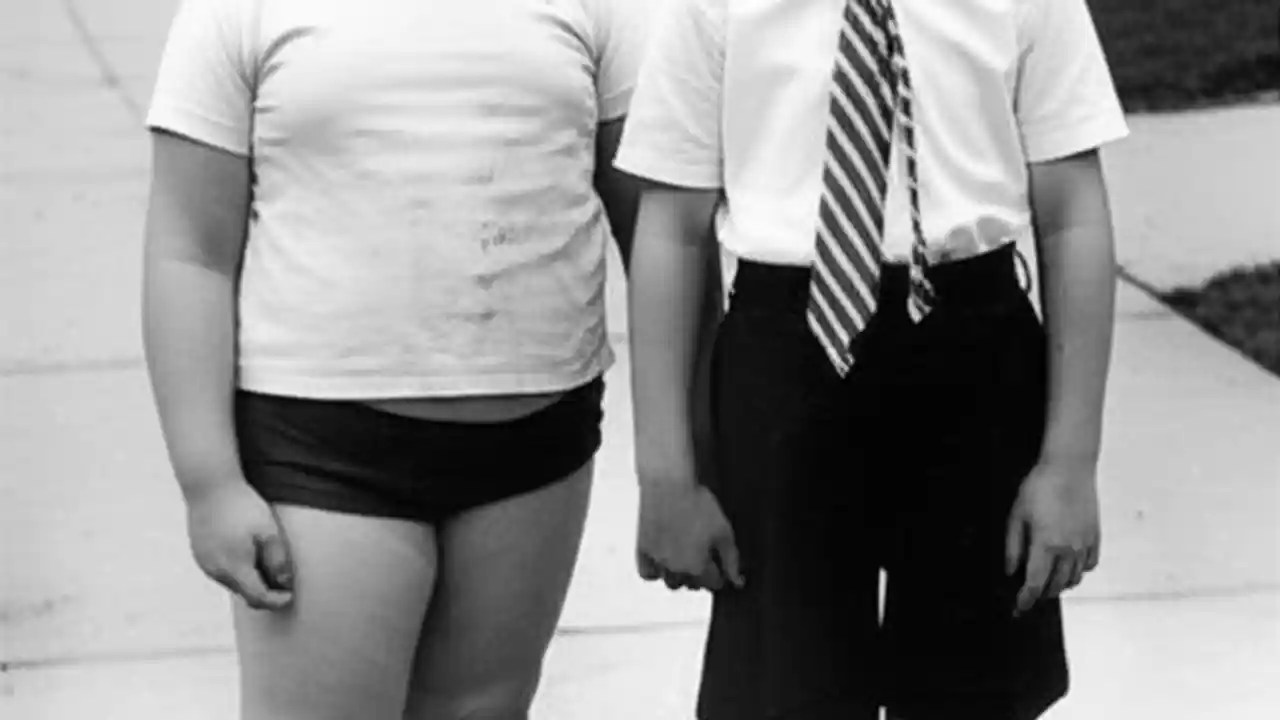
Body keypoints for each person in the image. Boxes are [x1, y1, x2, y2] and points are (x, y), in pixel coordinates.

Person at [616, 0, 1128, 718]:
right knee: (785, 684)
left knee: (974, 685)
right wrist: (665, 475)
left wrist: (1070, 464)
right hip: (785, 361)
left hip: (974, 357)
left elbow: (1073, 214)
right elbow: (671, 229)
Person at [140, 0, 648, 717]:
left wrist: (682, 451)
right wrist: (208, 480)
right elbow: (189, 251)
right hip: (320, 451)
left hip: (536, 446)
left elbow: (654, 222)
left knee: (485, 705)